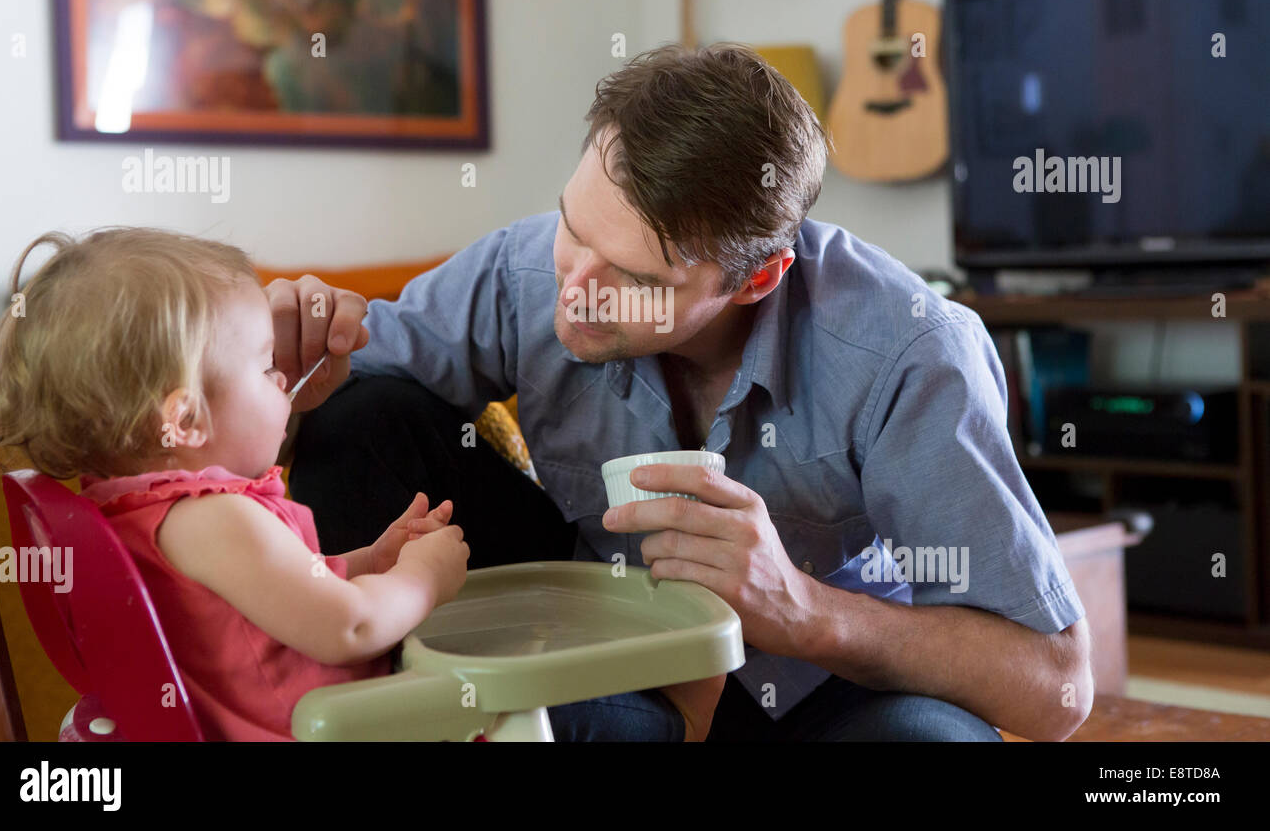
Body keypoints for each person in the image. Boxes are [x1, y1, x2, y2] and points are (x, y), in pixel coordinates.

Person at [274, 42, 1094, 742]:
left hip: (816, 686)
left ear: (759, 277)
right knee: (356, 412)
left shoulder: (910, 353)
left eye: (634, 276)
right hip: (593, 645)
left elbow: (1057, 687)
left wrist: (806, 611)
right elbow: (327, 405)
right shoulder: (528, 270)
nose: (576, 291)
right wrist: (278, 374)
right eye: (573, 227)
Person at [0, 229, 469, 741]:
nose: (283, 380)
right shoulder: (214, 518)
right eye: (266, 364)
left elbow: (277, 602)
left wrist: (374, 560)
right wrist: (422, 577)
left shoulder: (142, 513)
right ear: (185, 419)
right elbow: (351, 628)